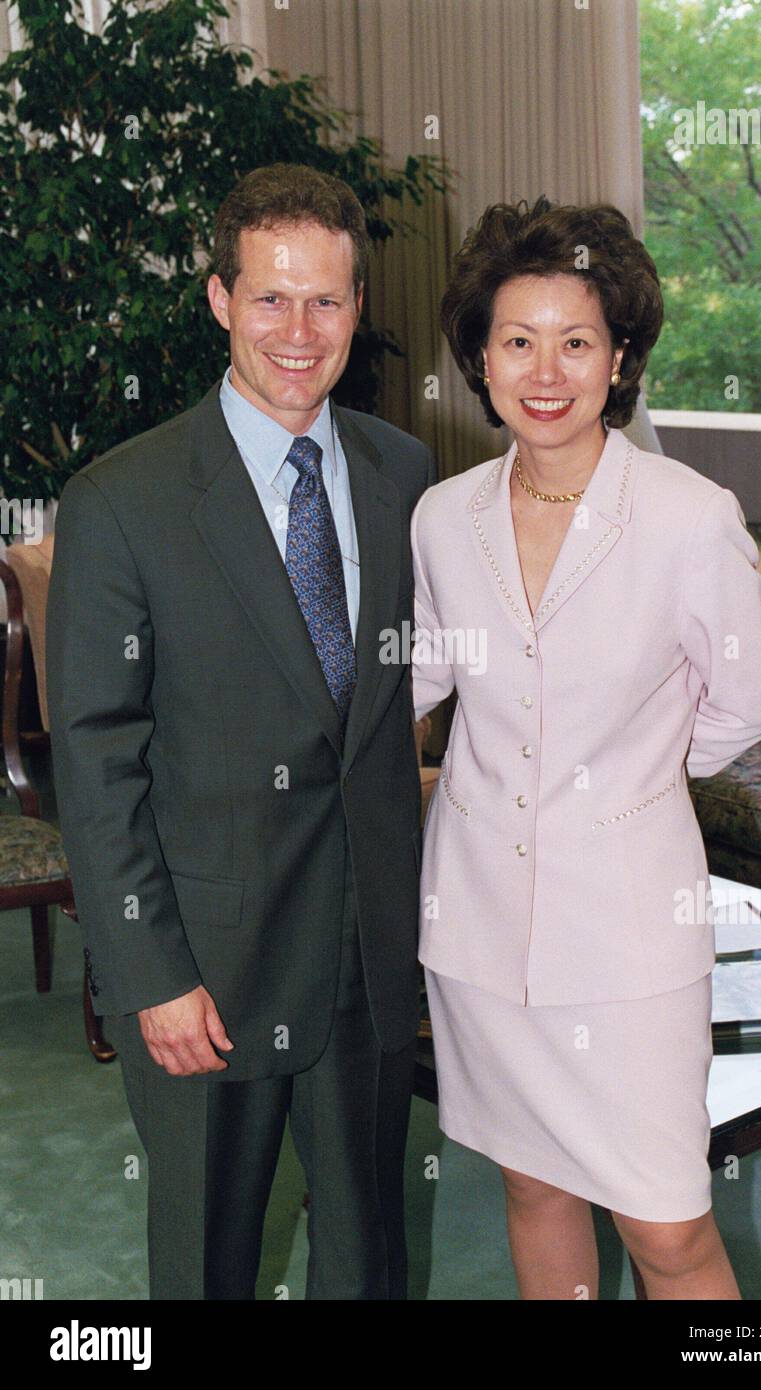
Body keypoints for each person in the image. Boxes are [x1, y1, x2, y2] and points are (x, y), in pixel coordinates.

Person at [46, 163, 435, 1300]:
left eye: (325, 299)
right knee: (209, 1262)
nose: (298, 330)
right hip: (205, 970)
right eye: (270, 297)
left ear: (358, 306)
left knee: (368, 1259)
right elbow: (95, 755)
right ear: (219, 300)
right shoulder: (121, 499)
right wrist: (147, 974)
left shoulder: (403, 473)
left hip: (366, 955)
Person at [411, 197, 761, 1300]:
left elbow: (747, 697)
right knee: (532, 1191)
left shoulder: (683, 514)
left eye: (574, 341)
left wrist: (629, 781)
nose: (543, 369)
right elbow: (425, 676)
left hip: (627, 940)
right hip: (477, 927)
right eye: (515, 339)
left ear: (617, 357)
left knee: (667, 1231)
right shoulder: (443, 516)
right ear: (479, 358)